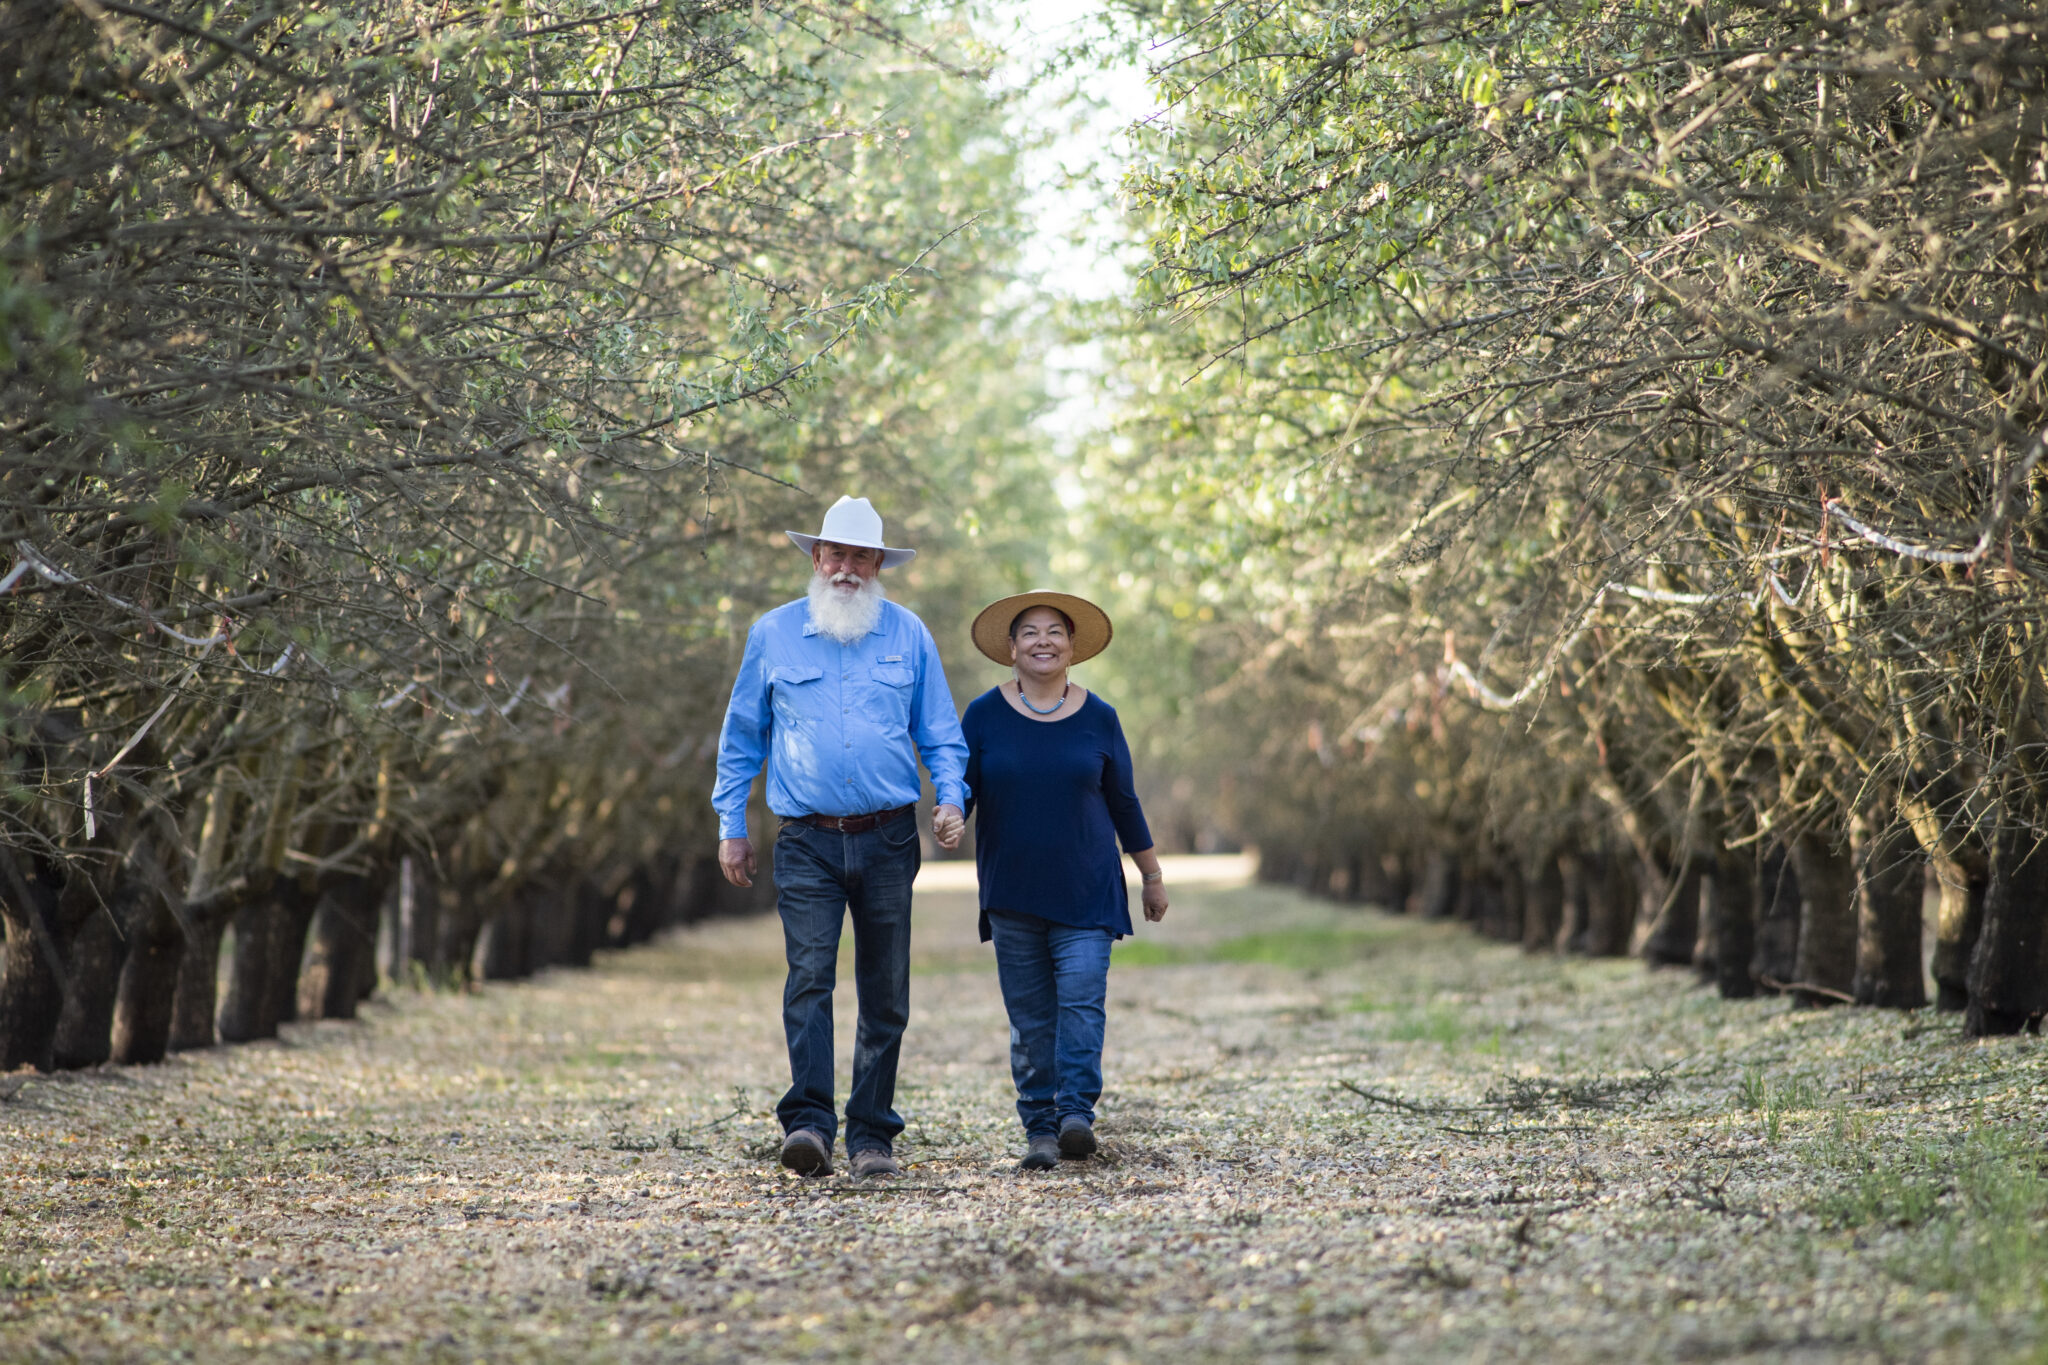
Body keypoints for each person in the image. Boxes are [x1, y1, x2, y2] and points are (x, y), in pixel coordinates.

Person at [713, 496, 968, 1180]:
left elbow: (940, 731)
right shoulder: (773, 634)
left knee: (885, 989)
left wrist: (952, 797)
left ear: (879, 564)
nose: (846, 567)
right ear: (815, 558)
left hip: (888, 837)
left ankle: (873, 1136)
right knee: (809, 979)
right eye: (835, 553)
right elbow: (741, 737)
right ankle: (810, 1124)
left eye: (860, 555)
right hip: (806, 839)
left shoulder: (909, 634)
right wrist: (731, 825)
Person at [959, 590, 1168, 1171]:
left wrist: (1151, 875)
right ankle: (1040, 1130)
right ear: (1011, 647)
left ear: (1073, 647)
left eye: (1055, 631)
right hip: (1012, 890)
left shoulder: (1100, 716)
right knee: (1030, 1020)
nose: (1043, 640)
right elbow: (962, 788)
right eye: (1029, 631)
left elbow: (1123, 802)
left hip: (1088, 887)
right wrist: (950, 814)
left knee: (1081, 1002)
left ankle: (1076, 1114)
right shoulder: (982, 715)